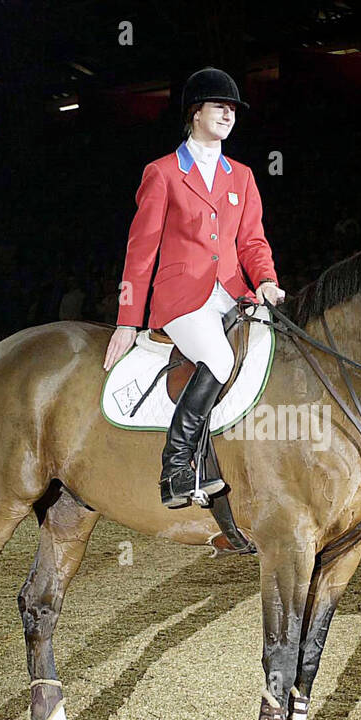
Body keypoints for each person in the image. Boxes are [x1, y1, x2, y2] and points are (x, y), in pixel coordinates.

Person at [103, 67, 285, 508]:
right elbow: (139, 252)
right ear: (195, 112)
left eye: (233, 109)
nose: (228, 114)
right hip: (182, 298)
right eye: (220, 106)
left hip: (234, 292)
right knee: (220, 357)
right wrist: (128, 321)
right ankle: (176, 466)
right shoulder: (162, 173)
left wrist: (265, 280)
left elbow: (252, 240)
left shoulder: (241, 176)